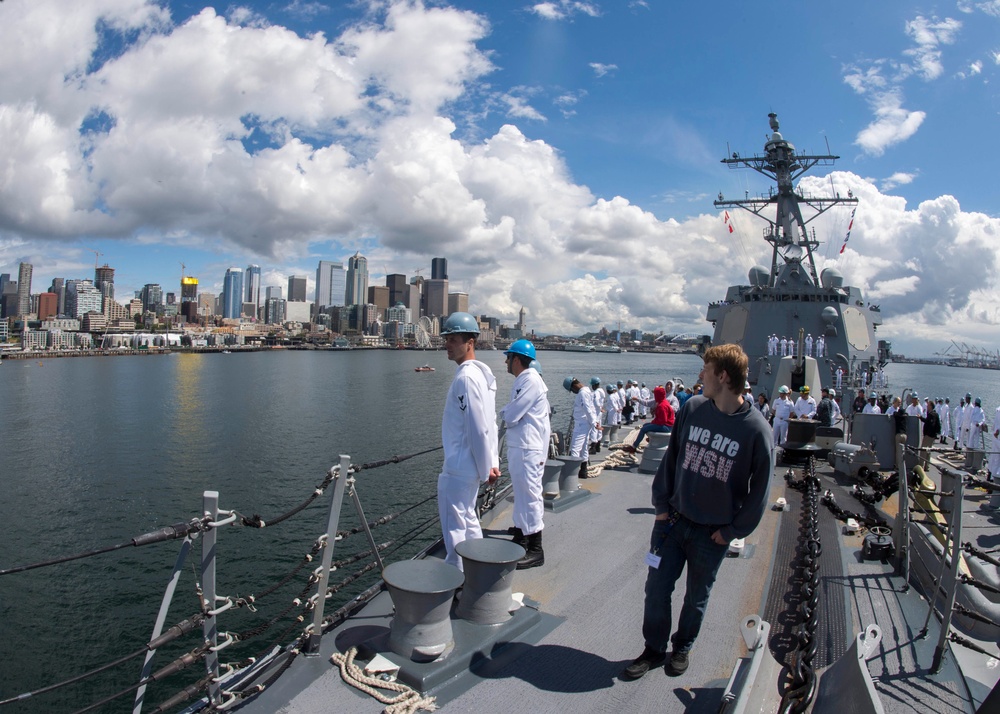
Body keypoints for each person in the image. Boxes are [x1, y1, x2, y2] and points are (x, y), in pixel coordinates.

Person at [624, 344, 773, 680]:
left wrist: (733, 531)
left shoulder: (756, 430)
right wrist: (661, 506)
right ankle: (653, 649)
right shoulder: (693, 408)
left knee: (696, 597)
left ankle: (683, 647)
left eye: (705, 370)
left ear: (722, 376)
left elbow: (760, 491)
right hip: (672, 524)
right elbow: (672, 459)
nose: (699, 376)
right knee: (656, 587)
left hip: (712, 534)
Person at [438, 312, 500, 570]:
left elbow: (478, 427)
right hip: (473, 465)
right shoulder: (482, 377)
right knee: (469, 520)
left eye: (453, 339)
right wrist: (491, 463)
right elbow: (490, 424)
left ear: (470, 342)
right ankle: (477, 572)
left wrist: (488, 467)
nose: (447, 345)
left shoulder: (465, 378)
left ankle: (457, 579)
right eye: (447, 339)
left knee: (455, 526)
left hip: (460, 465)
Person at [500, 339, 551, 569]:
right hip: (522, 447)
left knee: (530, 495)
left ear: (517, 359)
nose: (506, 361)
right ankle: (521, 535)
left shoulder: (530, 380)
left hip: (528, 449)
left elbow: (511, 415)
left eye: (508, 357)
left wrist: (504, 412)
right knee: (522, 494)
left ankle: (535, 549)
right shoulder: (524, 380)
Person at [566, 376, 600, 479]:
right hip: (585, 423)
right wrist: (593, 422)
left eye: (571, 390)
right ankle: (583, 471)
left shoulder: (583, 393)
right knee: (584, 448)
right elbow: (591, 408)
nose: (573, 392)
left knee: (575, 448)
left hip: (581, 424)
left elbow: (587, 409)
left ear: (573, 386)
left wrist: (593, 422)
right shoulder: (587, 391)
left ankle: (571, 476)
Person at [626, 386, 675, 452]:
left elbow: (663, 420)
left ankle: (634, 446)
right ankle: (651, 439)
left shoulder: (662, 406)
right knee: (645, 425)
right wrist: (653, 422)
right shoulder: (664, 402)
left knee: (643, 429)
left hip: (666, 426)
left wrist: (653, 422)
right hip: (667, 425)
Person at [919, 400, 941, 471]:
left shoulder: (931, 415)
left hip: (928, 436)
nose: (927, 407)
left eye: (928, 405)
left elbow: (929, 423)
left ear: (931, 406)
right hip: (933, 436)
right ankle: (927, 466)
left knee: (923, 451)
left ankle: (921, 466)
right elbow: (938, 425)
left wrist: (928, 433)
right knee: (929, 452)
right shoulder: (936, 414)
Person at [589, 377, 605, 454]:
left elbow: (596, 401)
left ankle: (593, 446)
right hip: (599, 413)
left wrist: (599, 407)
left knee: (594, 428)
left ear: (594, 385)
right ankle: (598, 445)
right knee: (599, 428)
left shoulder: (596, 392)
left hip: (595, 412)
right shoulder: (602, 391)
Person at [988, 404, 1000, 481]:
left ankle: (990, 476)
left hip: (996, 437)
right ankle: (992, 478)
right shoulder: (998, 410)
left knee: (994, 458)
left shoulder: (998, 410)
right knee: (996, 459)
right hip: (997, 438)